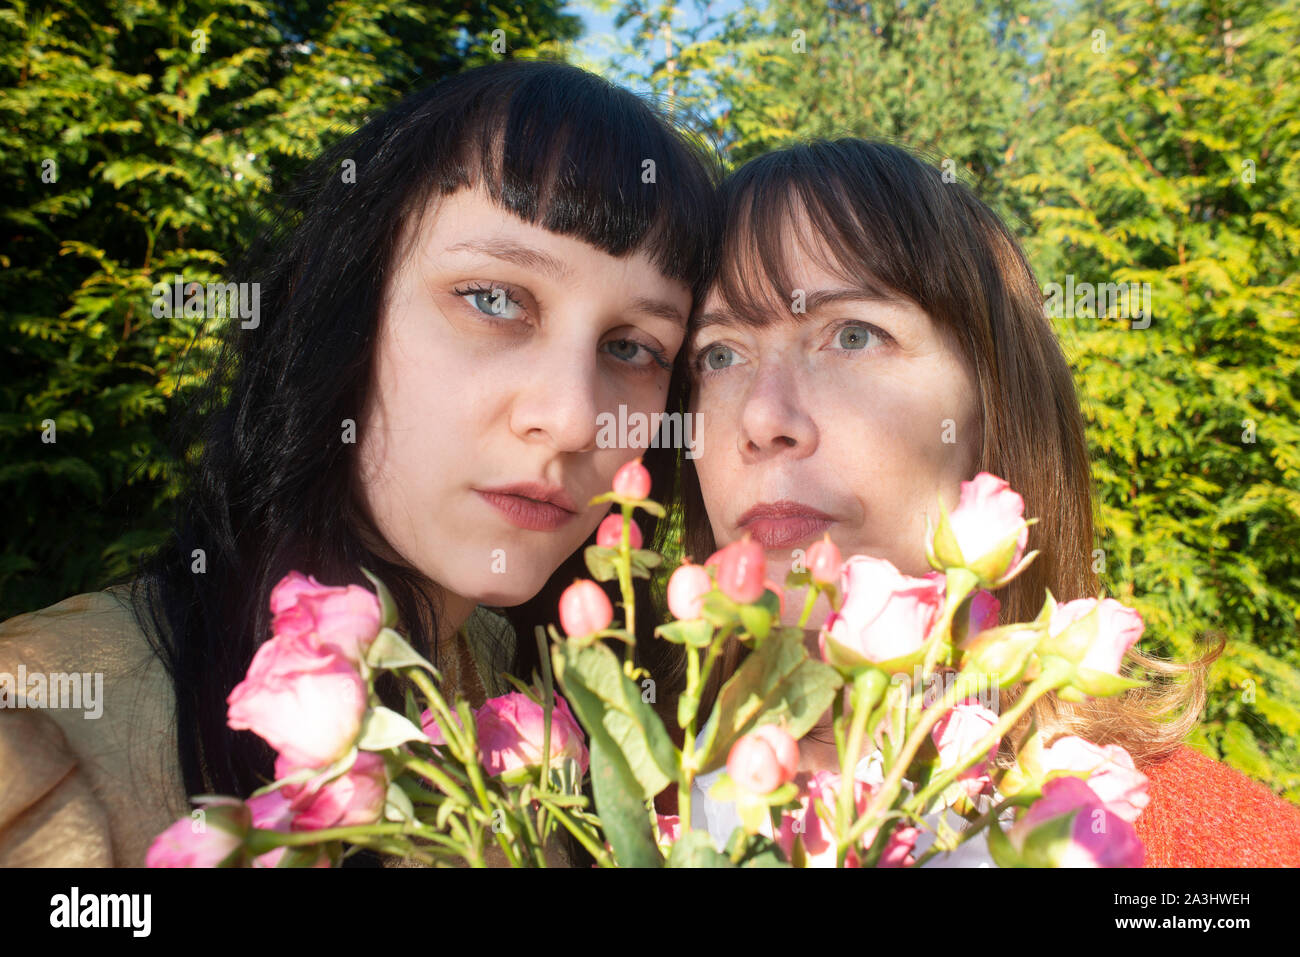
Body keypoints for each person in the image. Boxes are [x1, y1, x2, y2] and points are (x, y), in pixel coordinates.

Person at [0, 60, 720, 867]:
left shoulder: (548, 704)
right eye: (493, 298)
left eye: (633, 347)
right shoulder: (47, 730)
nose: (573, 417)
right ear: (344, 304)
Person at [670, 138, 1300, 866]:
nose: (761, 417)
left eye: (852, 335)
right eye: (719, 353)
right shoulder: (587, 802)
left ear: (993, 409)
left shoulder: (1222, 851)